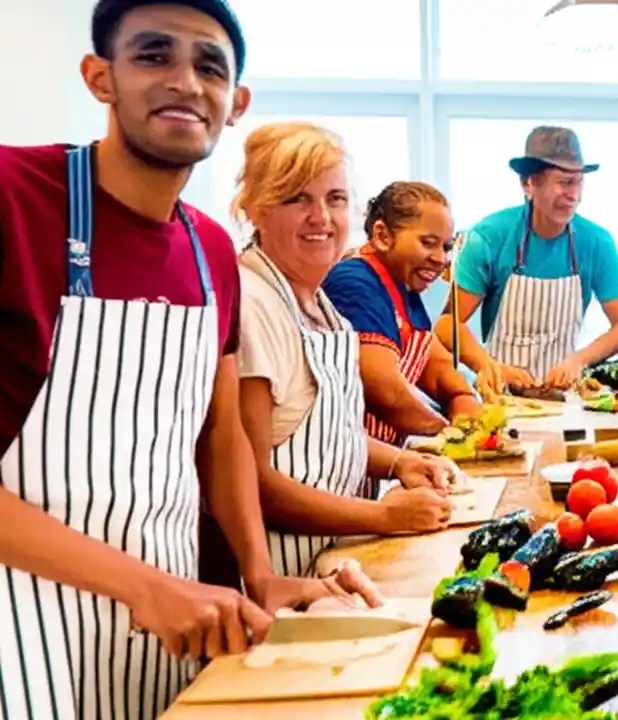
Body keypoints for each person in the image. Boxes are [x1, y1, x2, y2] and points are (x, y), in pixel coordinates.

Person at [0, 2, 374, 717]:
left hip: (169, 629)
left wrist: (258, 572)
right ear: (99, 77)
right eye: (152, 55)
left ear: (235, 104)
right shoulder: (16, 195)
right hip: (21, 616)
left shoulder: (210, 255)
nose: (183, 80)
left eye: (208, 65)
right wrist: (145, 587)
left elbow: (221, 430)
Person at [229, 122, 461, 580]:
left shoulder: (318, 304)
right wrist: (382, 517)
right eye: (297, 198)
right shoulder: (253, 305)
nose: (322, 217)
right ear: (256, 209)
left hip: (332, 559)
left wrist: (400, 461)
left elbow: (328, 438)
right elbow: (249, 481)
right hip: (280, 574)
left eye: (334, 199)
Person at [435, 126, 618, 397]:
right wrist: (489, 366)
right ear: (528, 183)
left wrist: (578, 360)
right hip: (499, 395)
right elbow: (448, 324)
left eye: (578, 182)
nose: (573, 194)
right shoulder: (489, 236)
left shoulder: (596, 242)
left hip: (563, 398)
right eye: (564, 182)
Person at [322, 181, 483, 448]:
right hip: (345, 467)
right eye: (427, 243)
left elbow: (441, 373)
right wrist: (457, 437)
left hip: (380, 467)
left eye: (446, 246)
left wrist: (465, 405)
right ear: (383, 236)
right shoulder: (355, 282)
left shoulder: (406, 290)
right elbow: (386, 393)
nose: (440, 259)